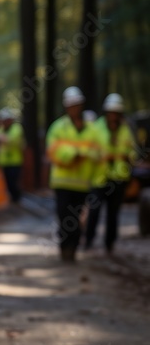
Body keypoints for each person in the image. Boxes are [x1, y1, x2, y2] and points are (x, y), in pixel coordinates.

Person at [46, 86, 102, 262]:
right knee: (63, 216)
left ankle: (73, 248)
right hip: (62, 182)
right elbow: (52, 151)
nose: (74, 108)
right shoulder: (58, 127)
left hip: (82, 183)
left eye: (77, 104)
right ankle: (65, 248)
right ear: (66, 107)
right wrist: (73, 154)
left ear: (81, 105)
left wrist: (83, 154)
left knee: (77, 219)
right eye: (71, 105)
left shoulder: (92, 130)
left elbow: (99, 153)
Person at [84, 93, 135, 254]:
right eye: (111, 112)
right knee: (94, 212)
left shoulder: (125, 129)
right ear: (106, 112)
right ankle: (89, 240)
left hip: (118, 178)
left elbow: (132, 152)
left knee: (113, 214)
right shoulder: (96, 127)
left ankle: (109, 244)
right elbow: (89, 150)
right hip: (99, 178)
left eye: (116, 112)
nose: (113, 116)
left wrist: (129, 159)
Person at [0, 107, 25, 203]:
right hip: (3, 162)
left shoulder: (17, 128)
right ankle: (12, 198)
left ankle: (16, 197)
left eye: (7, 120)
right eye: (4, 120)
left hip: (15, 161)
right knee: (7, 183)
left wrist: (2, 138)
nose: (5, 122)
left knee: (13, 182)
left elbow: (12, 140)